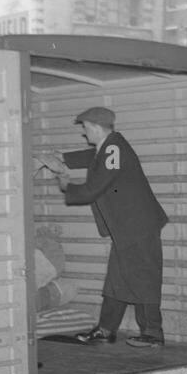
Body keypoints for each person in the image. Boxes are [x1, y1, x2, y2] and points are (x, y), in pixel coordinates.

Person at [41, 106, 168, 348]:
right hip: (129, 228)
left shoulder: (113, 147)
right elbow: (92, 158)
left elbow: (94, 187)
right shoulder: (110, 147)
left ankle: (153, 332)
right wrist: (62, 158)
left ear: (97, 127)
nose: (84, 133)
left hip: (138, 227)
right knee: (117, 279)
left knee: (144, 277)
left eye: (86, 128)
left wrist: (67, 185)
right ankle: (106, 329)